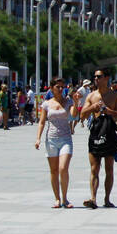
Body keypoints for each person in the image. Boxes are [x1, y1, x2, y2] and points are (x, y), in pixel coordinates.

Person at [80, 69, 117, 208]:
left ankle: (107, 199)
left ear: (106, 78)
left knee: (109, 169)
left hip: (110, 133)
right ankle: (93, 198)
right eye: (94, 76)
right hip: (95, 133)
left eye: (99, 76)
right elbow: (81, 115)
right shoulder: (91, 96)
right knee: (94, 168)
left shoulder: (115, 95)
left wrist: (109, 111)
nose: (96, 79)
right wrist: (92, 107)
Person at [33, 79, 78, 208]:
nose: (60, 89)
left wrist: (75, 102)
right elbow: (42, 122)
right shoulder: (46, 104)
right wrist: (38, 138)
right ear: (52, 88)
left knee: (63, 168)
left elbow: (74, 115)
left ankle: (65, 198)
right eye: (57, 87)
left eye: (62, 87)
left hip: (65, 139)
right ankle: (57, 199)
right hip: (51, 139)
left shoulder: (68, 101)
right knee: (53, 171)